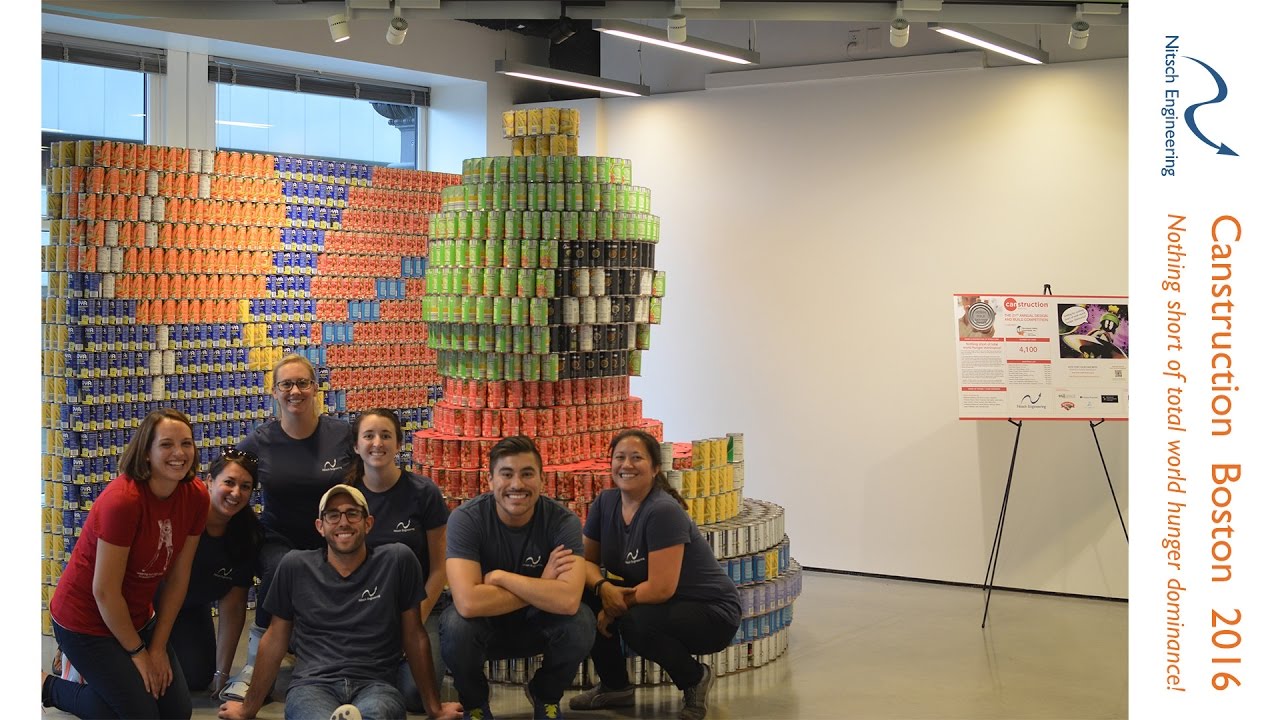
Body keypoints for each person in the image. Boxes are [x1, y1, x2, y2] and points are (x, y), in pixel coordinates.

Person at [215, 484, 462, 720]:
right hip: (313, 685)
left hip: (375, 685)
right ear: (320, 526)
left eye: (352, 514)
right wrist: (248, 709)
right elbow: (275, 639)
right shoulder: (295, 566)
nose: (343, 522)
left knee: (379, 713)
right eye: (333, 515)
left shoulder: (397, 561)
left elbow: (414, 635)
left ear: (368, 523)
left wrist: (435, 708)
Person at [42, 408, 210, 719]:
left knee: (176, 713)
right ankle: (47, 686)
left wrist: (157, 648)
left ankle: (102, 678)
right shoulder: (123, 501)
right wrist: (138, 653)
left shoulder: (197, 495)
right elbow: (104, 591)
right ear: (146, 452)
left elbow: (178, 577)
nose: (179, 453)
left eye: (186, 443)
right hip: (84, 620)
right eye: (166, 444)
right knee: (139, 714)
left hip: (137, 616)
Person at [569, 429, 742, 720]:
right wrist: (603, 588)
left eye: (637, 458)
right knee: (584, 594)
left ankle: (694, 678)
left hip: (710, 612)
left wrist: (614, 608)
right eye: (619, 457)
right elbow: (584, 561)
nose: (626, 465)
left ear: (655, 468)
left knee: (637, 622)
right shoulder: (605, 502)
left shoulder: (662, 511)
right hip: (654, 600)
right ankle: (614, 686)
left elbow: (662, 588)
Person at [222, 353, 353, 701]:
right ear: (275, 392)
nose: (295, 391)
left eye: (303, 383)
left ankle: (335, 659)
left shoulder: (342, 435)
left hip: (332, 540)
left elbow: (370, 473)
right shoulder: (259, 441)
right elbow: (226, 479)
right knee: (284, 566)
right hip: (277, 539)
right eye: (286, 385)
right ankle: (253, 665)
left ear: (315, 389)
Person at [441, 435, 595, 720]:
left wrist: (500, 577)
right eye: (506, 474)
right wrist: (544, 585)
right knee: (455, 626)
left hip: (537, 623)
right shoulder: (466, 519)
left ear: (542, 480)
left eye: (527, 474)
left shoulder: (563, 522)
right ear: (489, 480)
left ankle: (545, 695)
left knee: (581, 622)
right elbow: (468, 603)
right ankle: (475, 705)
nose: (516, 485)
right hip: (484, 626)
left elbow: (569, 601)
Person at [346, 408, 451, 710]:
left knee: (415, 695)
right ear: (356, 446)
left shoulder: (424, 492)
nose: (377, 443)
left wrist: (413, 620)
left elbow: (440, 567)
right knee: (356, 685)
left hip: (421, 609)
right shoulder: (347, 495)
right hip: (367, 611)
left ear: (399, 444)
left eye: (386, 435)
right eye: (368, 436)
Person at [165, 448, 263, 697]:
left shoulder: (247, 534)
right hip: (148, 606)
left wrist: (222, 673)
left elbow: (233, 607)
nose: (236, 493)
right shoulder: (182, 514)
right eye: (229, 482)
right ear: (209, 481)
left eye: (245, 486)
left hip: (190, 608)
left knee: (197, 677)